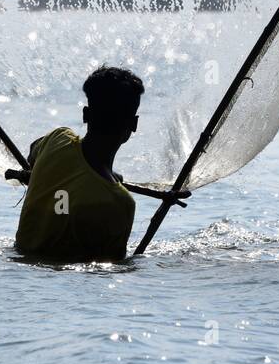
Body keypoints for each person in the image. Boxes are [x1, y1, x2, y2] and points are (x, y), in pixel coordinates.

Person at [14, 66, 187, 262]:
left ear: (86, 114)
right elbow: (112, 264)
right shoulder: (120, 202)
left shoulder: (56, 140)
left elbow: (33, 156)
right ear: (134, 124)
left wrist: (41, 175)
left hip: (20, 261)